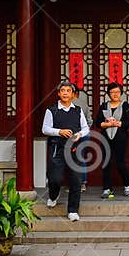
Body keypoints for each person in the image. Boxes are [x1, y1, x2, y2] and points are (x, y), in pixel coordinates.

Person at [42, 81, 90, 221]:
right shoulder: (51, 110)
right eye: (62, 90)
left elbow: (85, 128)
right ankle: (53, 195)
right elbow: (45, 129)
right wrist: (59, 132)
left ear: (73, 94)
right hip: (57, 149)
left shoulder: (78, 110)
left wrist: (79, 135)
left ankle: (73, 210)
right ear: (58, 93)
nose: (65, 93)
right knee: (55, 178)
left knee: (76, 180)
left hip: (75, 149)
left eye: (68, 91)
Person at [93, 82, 129, 199]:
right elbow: (97, 123)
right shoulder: (104, 106)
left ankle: (127, 184)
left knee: (120, 163)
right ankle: (107, 188)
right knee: (106, 163)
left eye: (117, 92)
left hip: (120, 138)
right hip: (105, 138)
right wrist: (106, 124)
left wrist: (118, 123)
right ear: (108, 94)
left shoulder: (125, 106)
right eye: (112, 92)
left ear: (121, 93)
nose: (115, 94)